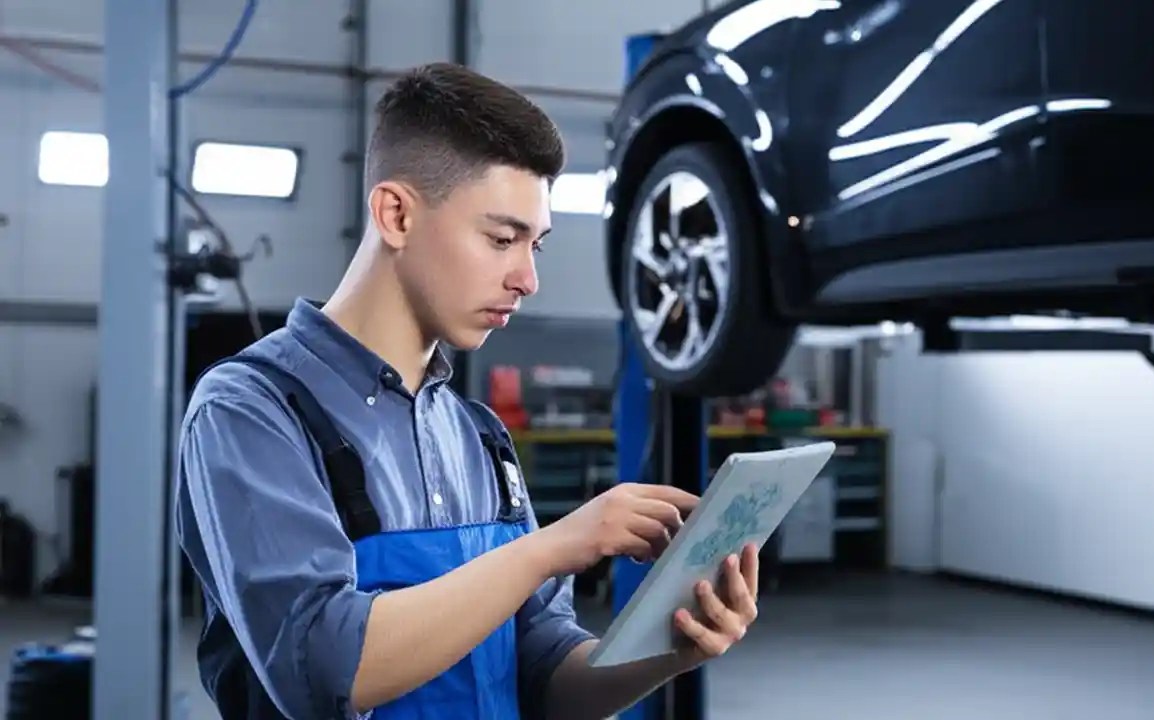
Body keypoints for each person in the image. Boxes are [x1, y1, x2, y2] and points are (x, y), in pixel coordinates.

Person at [174, 62, 762, 720]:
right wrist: (548, 549)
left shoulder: (477, 436)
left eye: (535, 244)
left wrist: (668, 648)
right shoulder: (252, 410)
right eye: (502, 238)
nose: (527, 278)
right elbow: (323, 668)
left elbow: (543, 673)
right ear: (395, 213)